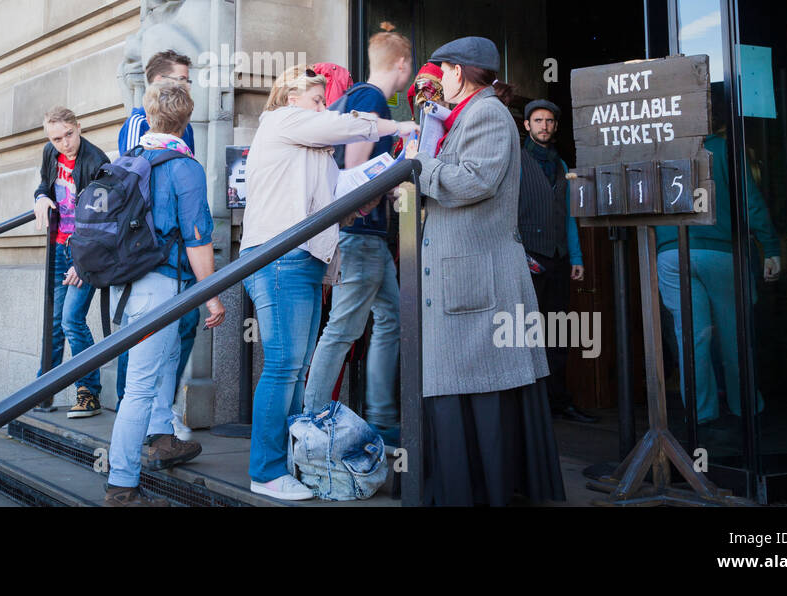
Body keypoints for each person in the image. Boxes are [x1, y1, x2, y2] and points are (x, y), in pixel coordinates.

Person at [240, 65, 417, 501]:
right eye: (316, 99)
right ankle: (265, 471)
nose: (324, 106)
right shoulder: (283, 119)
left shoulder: (309, 146)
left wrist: (362, 201)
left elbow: (327, 204)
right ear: (290, 97)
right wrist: (397, 123)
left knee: (294, 369)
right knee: (283, 367)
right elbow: (342, 125)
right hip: (282, 259)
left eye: (324, 99)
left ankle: (287, 463)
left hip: (304, 261)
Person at [407, 36, 565, 506]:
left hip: (476, 276)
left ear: (458, 72)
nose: (437, 79)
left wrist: (419, 167)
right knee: (463, 387)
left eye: (442, 71)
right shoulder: (468, 114)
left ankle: (476, 494)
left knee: (479, 389)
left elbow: (476, 180)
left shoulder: (489, 112)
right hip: (463, 274)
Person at [94, 82, 225, 505]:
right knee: (139, 388)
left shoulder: (129, 160)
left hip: (124, 287)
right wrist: (213, 296)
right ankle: (122, 486)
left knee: (160, 366)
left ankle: (163, 440)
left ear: (148, 116)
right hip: (160, 288)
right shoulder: (184, 167)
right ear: (186, 121)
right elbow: (198, 239)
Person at [304, 25, 412, 446]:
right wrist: (397, 178)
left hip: (365, 238)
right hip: (360, 235)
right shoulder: (369, 98)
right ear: (402, 65)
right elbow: (354, 168)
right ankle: (313, 420)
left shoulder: (352, 98)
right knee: (344, 329)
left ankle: (382, 417)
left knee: (388, 319)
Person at [654, 121, 781, 425]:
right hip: (719, 250)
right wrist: (770, 246)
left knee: (692, 338)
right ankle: (745, 408)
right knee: (734, 334)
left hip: (671, 251)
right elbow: (748, 200)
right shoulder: (724, 149)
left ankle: (702, 415)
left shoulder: (657, 147)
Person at [114, 49, 196, 420]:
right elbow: (131, 183)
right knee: (139, 353)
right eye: (182, 79)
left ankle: (161, 416)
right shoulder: (138, 123)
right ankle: (135, 415)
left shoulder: (185, 125)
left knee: (180, 333)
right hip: (148, 257)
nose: (188, 86)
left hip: (178, 258)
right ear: (160, 82)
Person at [518, 98, 596, 424]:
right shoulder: (516, 160)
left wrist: (575, 256)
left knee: (559, 332)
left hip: (559, 257)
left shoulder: (562, 166)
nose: (544, 126)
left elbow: (567, 217)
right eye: (538, 121)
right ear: (527, 125)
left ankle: (559, 402)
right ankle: (530, 408)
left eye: (549, 121)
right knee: (525, 334)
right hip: (527, 257)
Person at [33, 106, 109, 417]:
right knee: (54, 322)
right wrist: (40, 197)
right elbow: (44, 185)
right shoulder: (50, 154)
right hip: (58, 249)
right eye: (57, 138)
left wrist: (82, 262)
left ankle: (89, 393)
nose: (65, 143)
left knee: (71, 320)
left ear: (78, 127)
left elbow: (104, 220)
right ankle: (45, 389)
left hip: (85, 254)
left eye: (69, 134)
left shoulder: (97, 161)